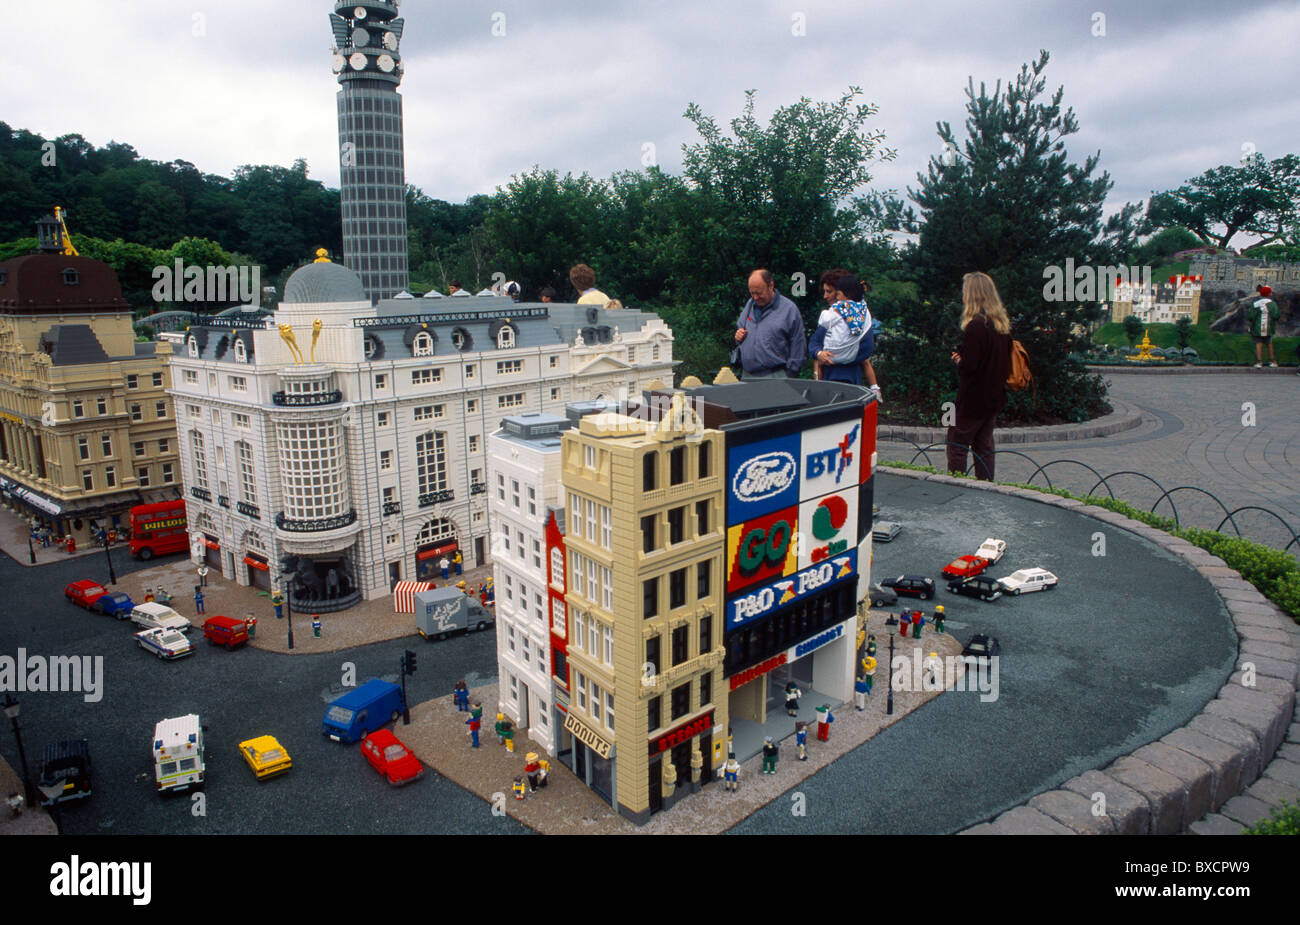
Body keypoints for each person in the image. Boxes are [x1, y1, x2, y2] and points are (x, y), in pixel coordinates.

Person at [947, 271, 1012, 481]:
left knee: (956, 444)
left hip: (972, 399)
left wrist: (959, 359)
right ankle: (986, 488)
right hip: (994, 397)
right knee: (984, 447)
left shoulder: (976, 326)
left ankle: (956, 488)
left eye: (965, 291)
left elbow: (971, 367)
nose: (962, 295)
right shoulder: (1001, 326)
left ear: (973, 294)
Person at [733, 269, 806, 379]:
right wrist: (738, 337)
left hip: (776, 376)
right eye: (752, 293)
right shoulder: (749, 305)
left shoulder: (789, 309)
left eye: (759, 293)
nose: (755, 297)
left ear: (771, 286)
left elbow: (798, 344)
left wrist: (789, 374)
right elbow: (740, 331)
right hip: (747, 376)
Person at [1249, 284, 1279, 368]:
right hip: (1268, 328)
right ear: (1269, 294)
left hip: (1257, 328)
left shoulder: (1255, 304)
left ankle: (1259, 362)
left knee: (1258, 344)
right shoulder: (1272, 304)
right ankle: (1272, 361)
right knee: (1269, 343)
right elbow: (1276, 315)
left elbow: (1250, 316)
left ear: (1260, 294)